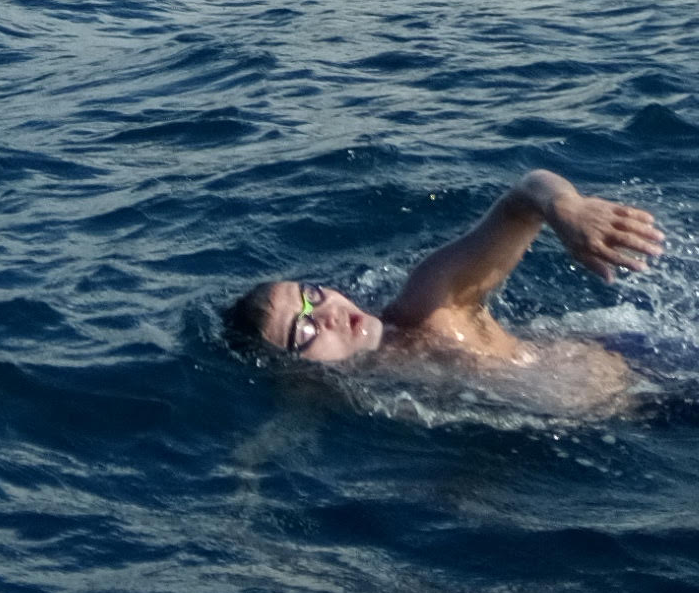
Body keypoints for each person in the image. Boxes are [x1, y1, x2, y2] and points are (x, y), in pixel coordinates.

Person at [226, 169, 667, 412]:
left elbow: (527, 193)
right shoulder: (373, 392)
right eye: (304, 332)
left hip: (656, 377)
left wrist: (567, 209)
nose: (327, 315)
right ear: (292, 370)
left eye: (313, 296)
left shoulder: (427, 302)